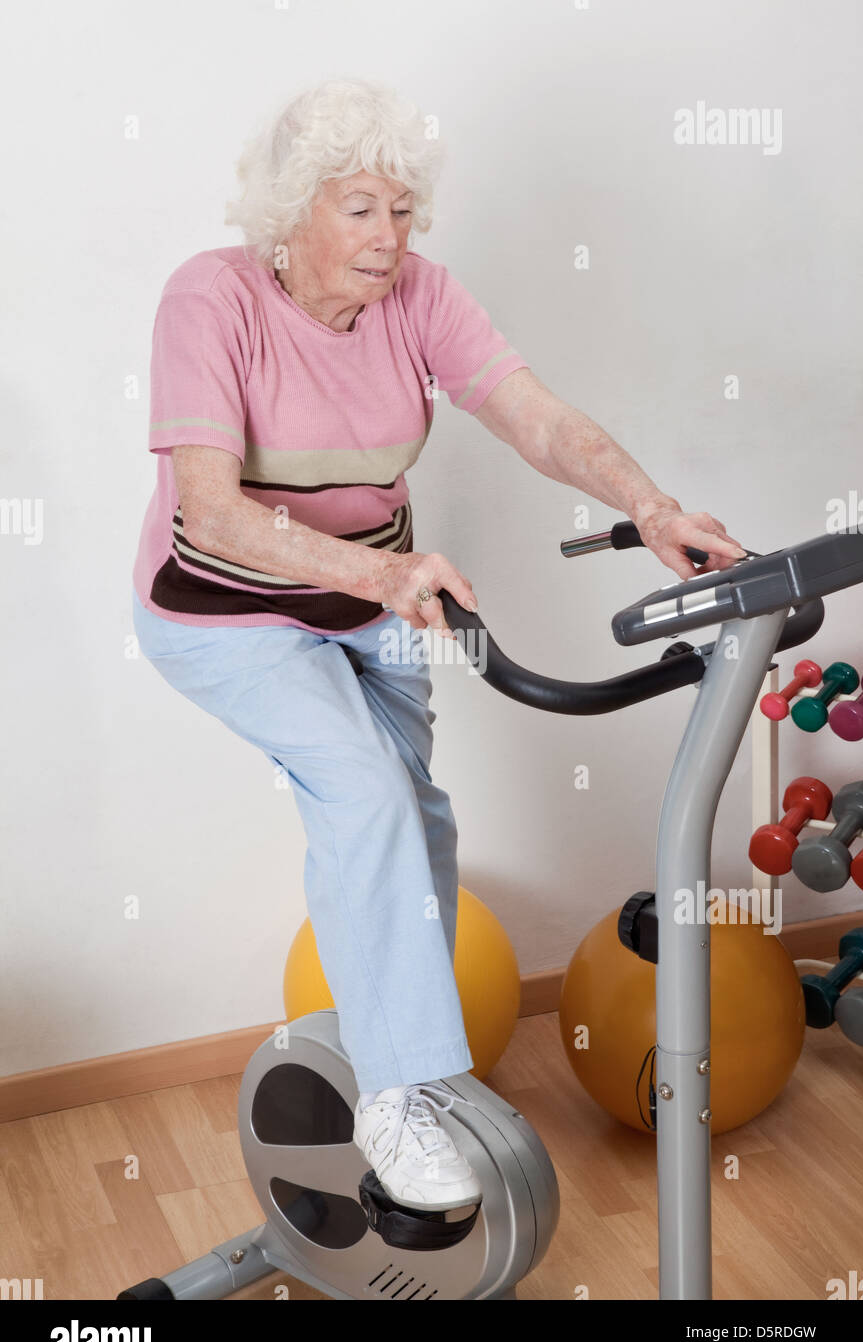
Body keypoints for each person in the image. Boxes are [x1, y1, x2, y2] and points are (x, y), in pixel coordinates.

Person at [131, 76, 746, 1214]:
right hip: (224, 608)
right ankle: (398, 1090)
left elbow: (537, 416)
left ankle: (406, 1050)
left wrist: (651, 506)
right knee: (361, 792)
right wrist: (380, 573)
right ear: (290, 209)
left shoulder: (418, 296)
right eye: (358, 208)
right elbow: (209, 510)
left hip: (378, 601)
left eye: (402, 209)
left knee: (417, 814)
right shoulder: (208, 300)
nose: (389, 236)